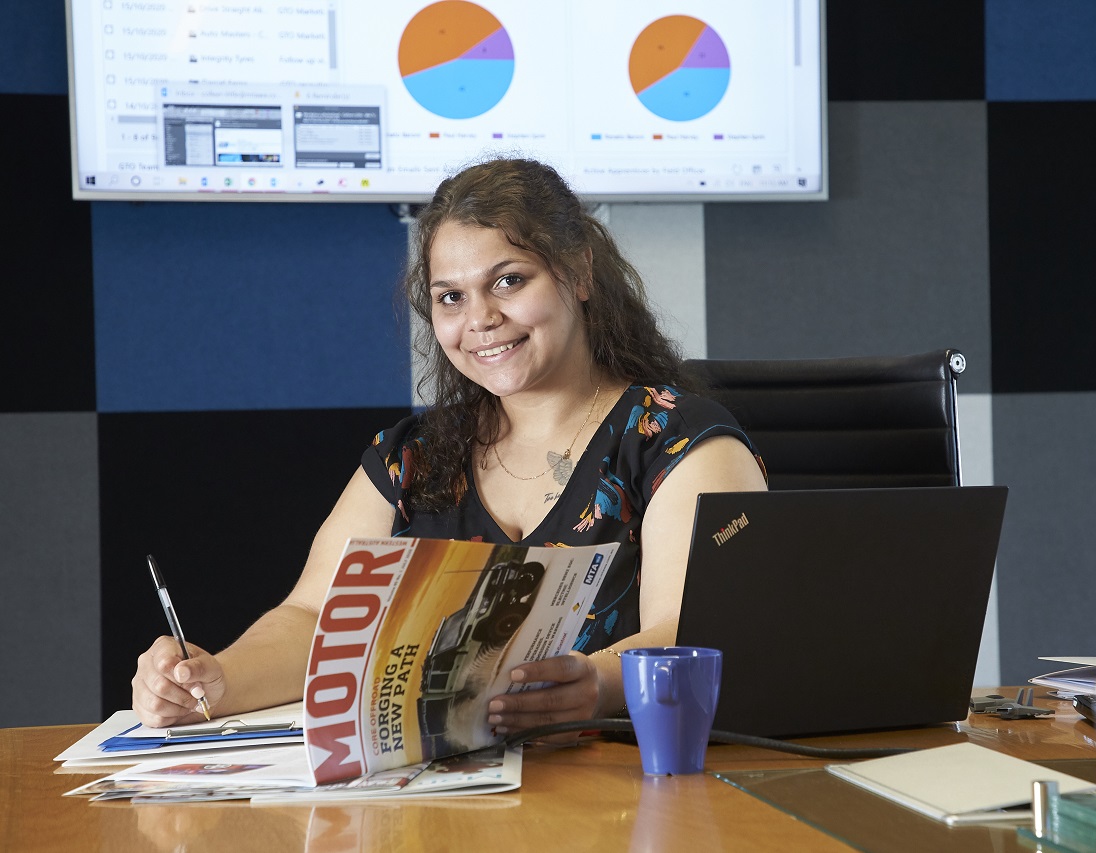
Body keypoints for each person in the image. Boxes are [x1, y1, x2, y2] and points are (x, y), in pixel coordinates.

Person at [132, 157, 768, 737]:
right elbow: (312, 617)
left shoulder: (679, 439)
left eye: (509, 281)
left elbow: (698, 629)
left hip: (634, 787)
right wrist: (215, 681)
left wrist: (598, 683)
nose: (480, 319)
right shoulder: (411, 456)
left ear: (578, 273)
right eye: (451, 297)